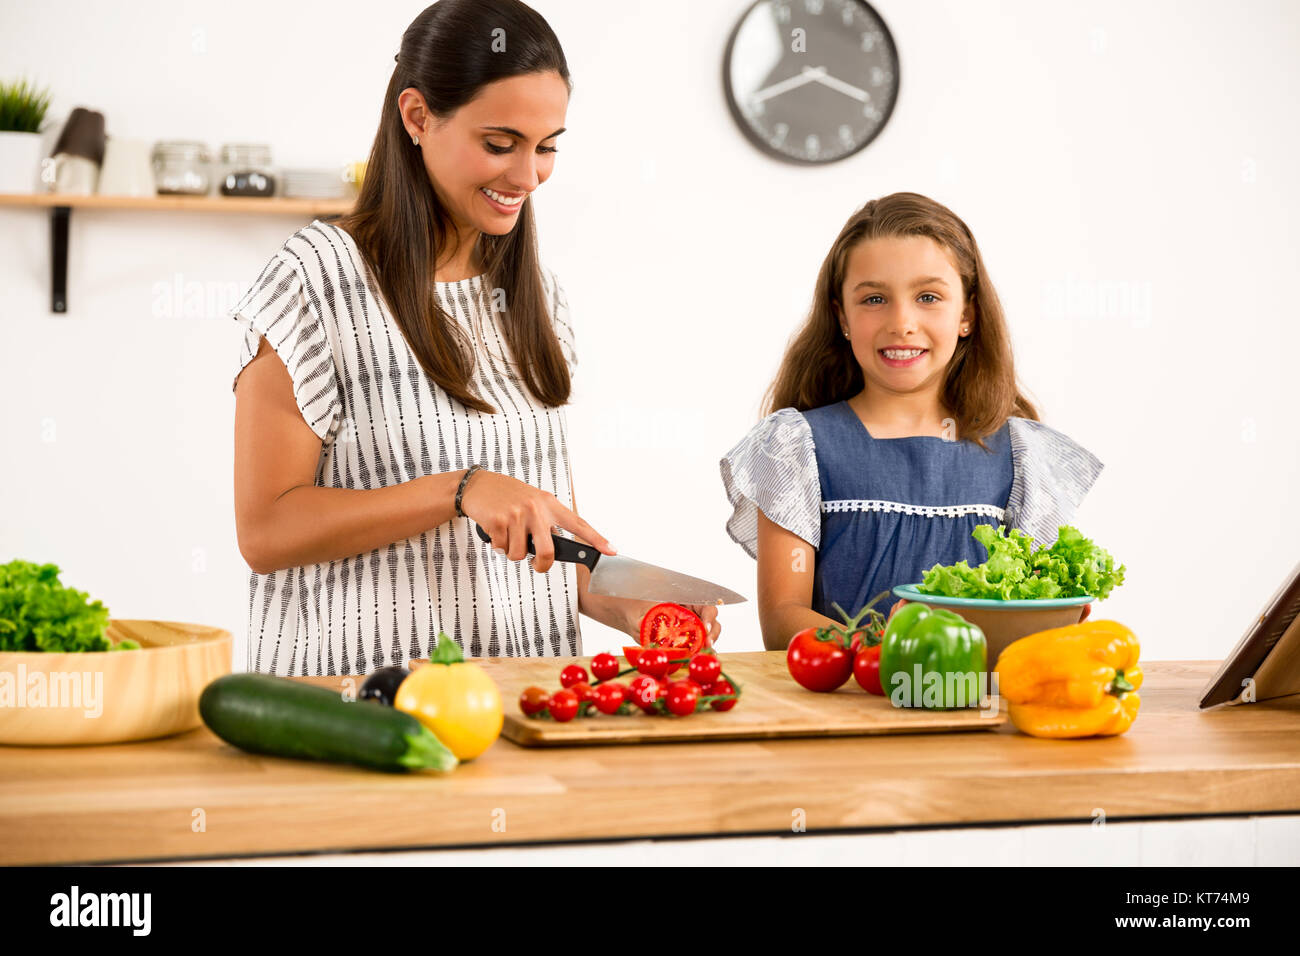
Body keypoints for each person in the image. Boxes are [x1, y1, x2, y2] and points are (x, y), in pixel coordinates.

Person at [230, 0, 719, 676]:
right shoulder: (316, 278)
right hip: (361, 706)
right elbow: (265, 531)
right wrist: (458, 489)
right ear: (417, 117)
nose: (527, 177)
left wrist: (629, 602)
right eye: (499, 143)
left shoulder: (535, 297)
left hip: (518, 707)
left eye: (547, 147)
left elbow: (538, 537)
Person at [719, 192, 1099, 650]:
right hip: (844, 710)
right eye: (875, 298)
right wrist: (894, 652)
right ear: (842, 316)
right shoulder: (796, 446)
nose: (902, 322)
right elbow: (783, 620)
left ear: (967, 315)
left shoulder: (1023, 456)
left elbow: (1032, 619)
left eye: (928, 297)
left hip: (976, 712)